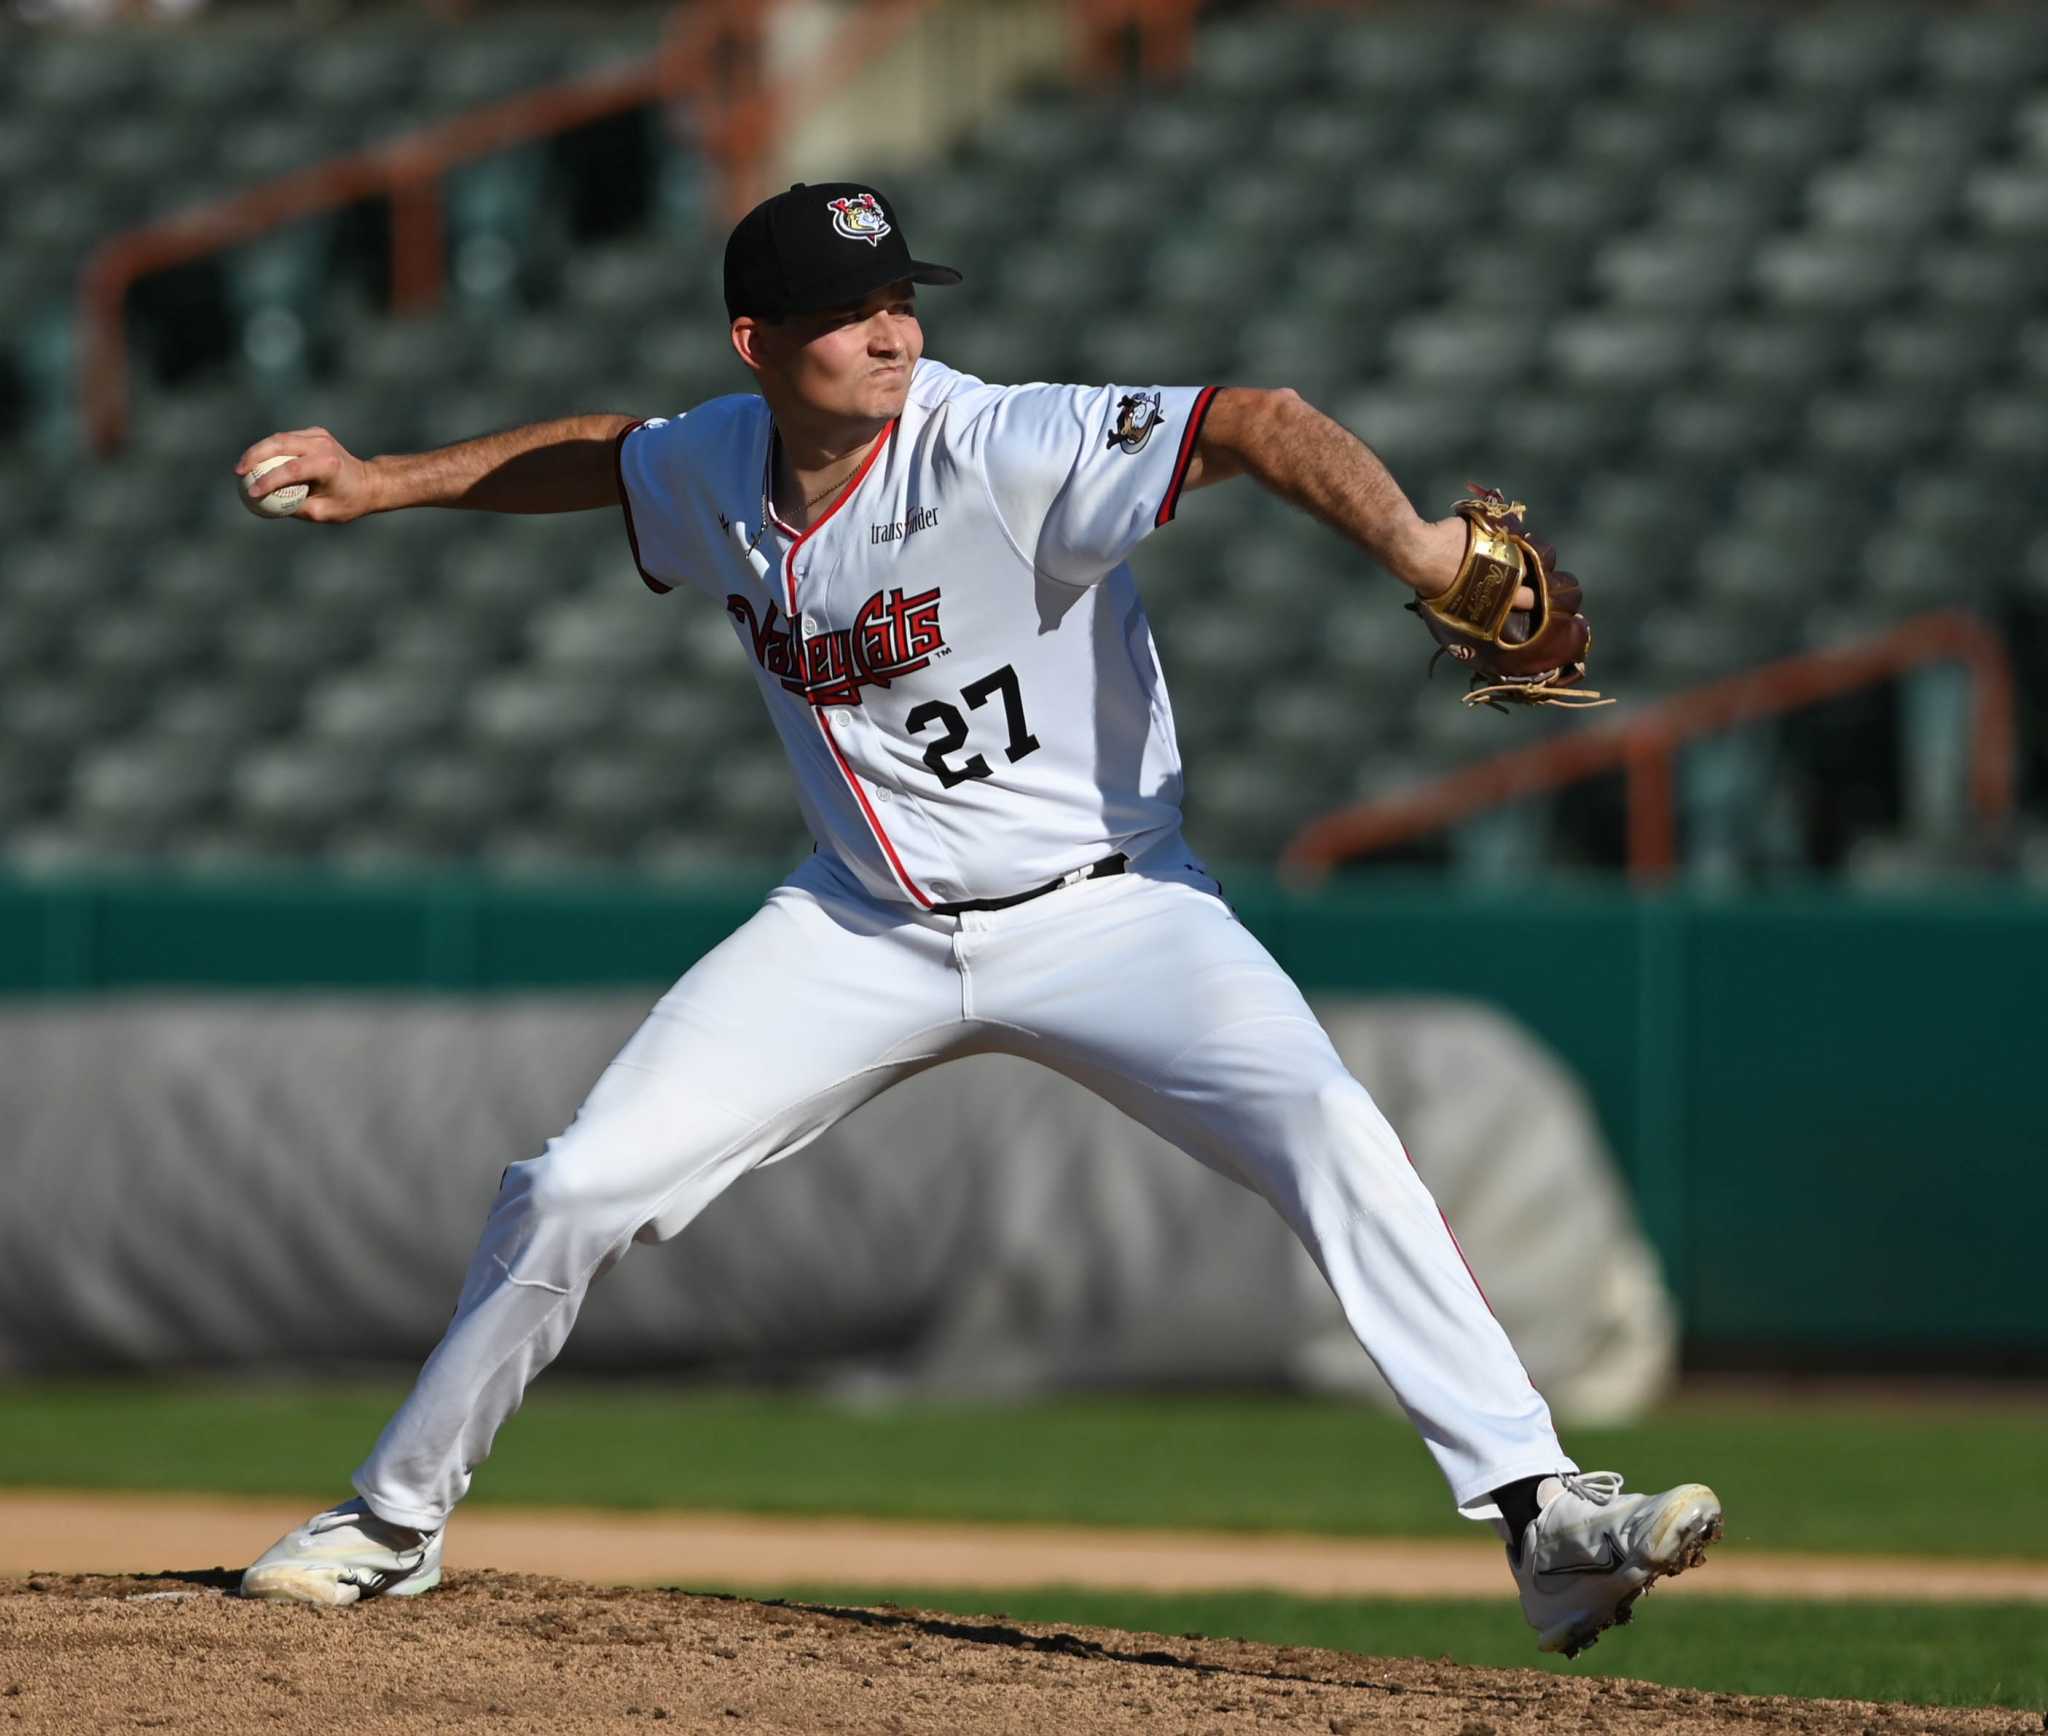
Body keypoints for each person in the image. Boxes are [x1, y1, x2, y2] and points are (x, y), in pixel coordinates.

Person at [233, 181, 1718, 1657]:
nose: (890, 333)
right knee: (569, 1188)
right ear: (757, 340)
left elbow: (1257, 421)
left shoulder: (1002, 441)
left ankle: (1544, 1515)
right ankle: (392, 1519)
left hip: (1111, 912)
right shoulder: (718, 457)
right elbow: (609, 461)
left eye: (900, 300)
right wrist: (388, 480)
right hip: (855, 930)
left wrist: (1414, 550)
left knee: (1334, 1132)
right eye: (846, 313)